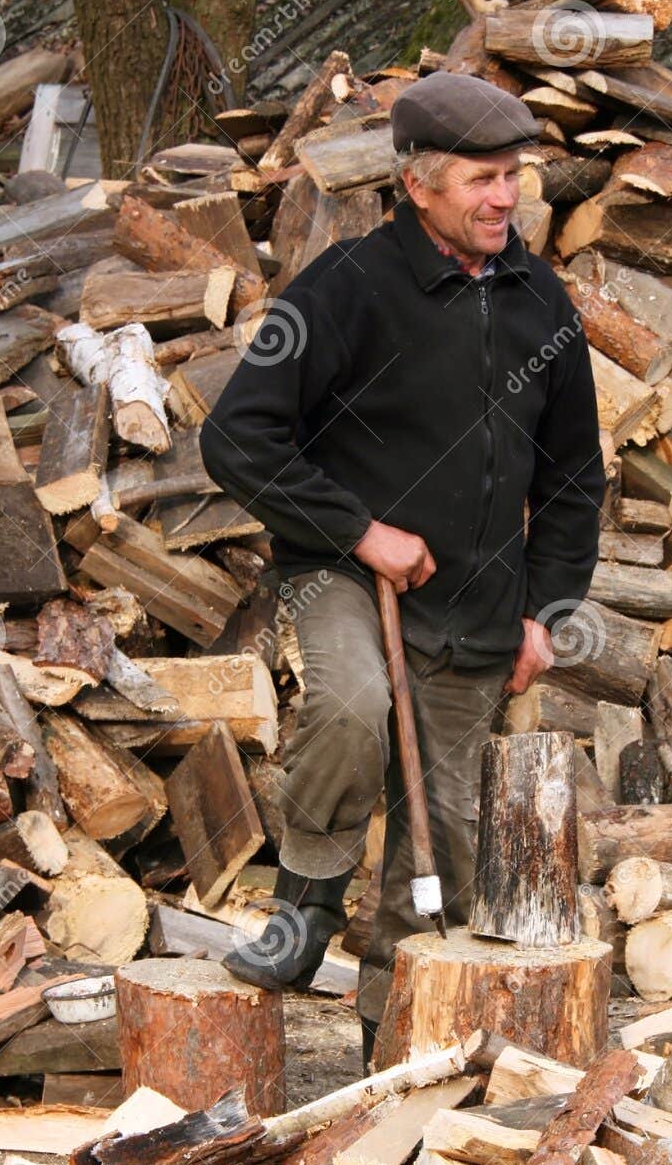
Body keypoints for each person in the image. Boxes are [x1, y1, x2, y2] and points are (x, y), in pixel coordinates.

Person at [199, 70, 605, 1069]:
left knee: (446, 846)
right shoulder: (345, 286)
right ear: (418, 184)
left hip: (477, 602)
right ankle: (299, 917)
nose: (504, 197)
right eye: (481, 178)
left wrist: (546, 611)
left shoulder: (539, 300)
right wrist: (359, 530)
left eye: (513, 175)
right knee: (347, 706)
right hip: (342, 570)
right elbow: (237, 438)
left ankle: (396, 1043)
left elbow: (574, 477)